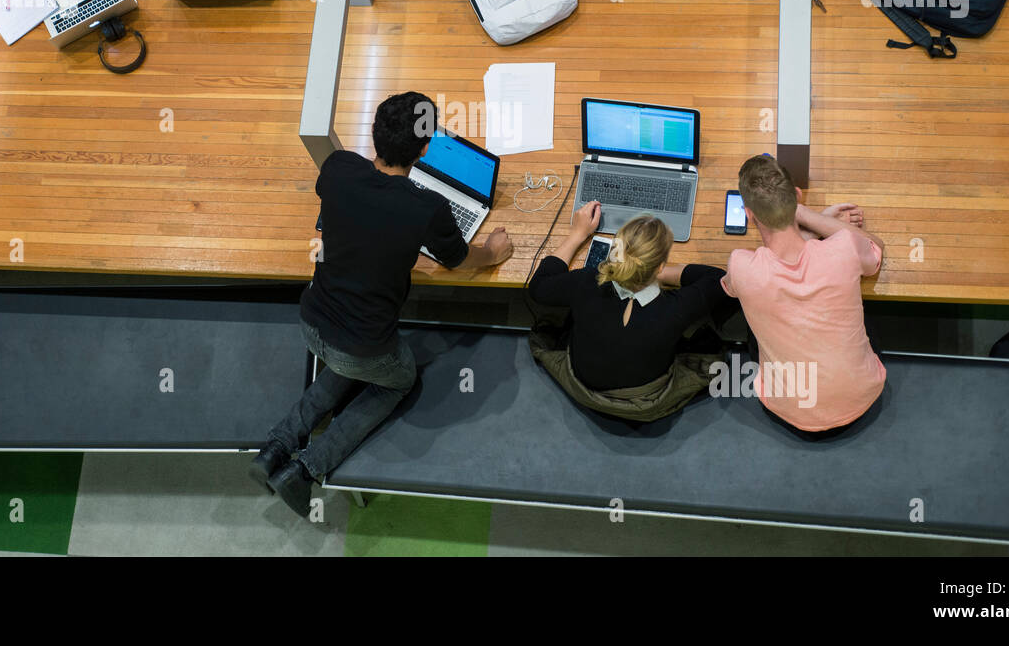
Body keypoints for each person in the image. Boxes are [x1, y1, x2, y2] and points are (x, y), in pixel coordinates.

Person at [251, 92, 513, 517]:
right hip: (363, 347)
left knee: (344, 361)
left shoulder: (338, 168)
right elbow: (460, 261)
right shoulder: (426, 206)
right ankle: (306, 468)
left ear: (374, 134)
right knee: (395, 379)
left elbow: (345, 206)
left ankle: (275, 446)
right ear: (426, 148)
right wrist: (494, 250)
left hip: (312, 319)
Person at [722, 154, 887, 440]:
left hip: (786, 408)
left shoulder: (740, 266)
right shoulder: (844, 248)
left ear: (748, 213)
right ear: (796, 196)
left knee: (754, 310)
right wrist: (815, 219)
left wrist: (807, 228)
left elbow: (731, 286)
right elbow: (875, 247)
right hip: (862, 396)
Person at [525, 204, 738, 423]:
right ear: (659, 266)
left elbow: (539, 287)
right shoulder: (677, 308)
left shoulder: (586, 283)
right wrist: (658, 274)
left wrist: (577, 234)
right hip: (644, 400)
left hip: (583, 383)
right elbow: (718, 279)